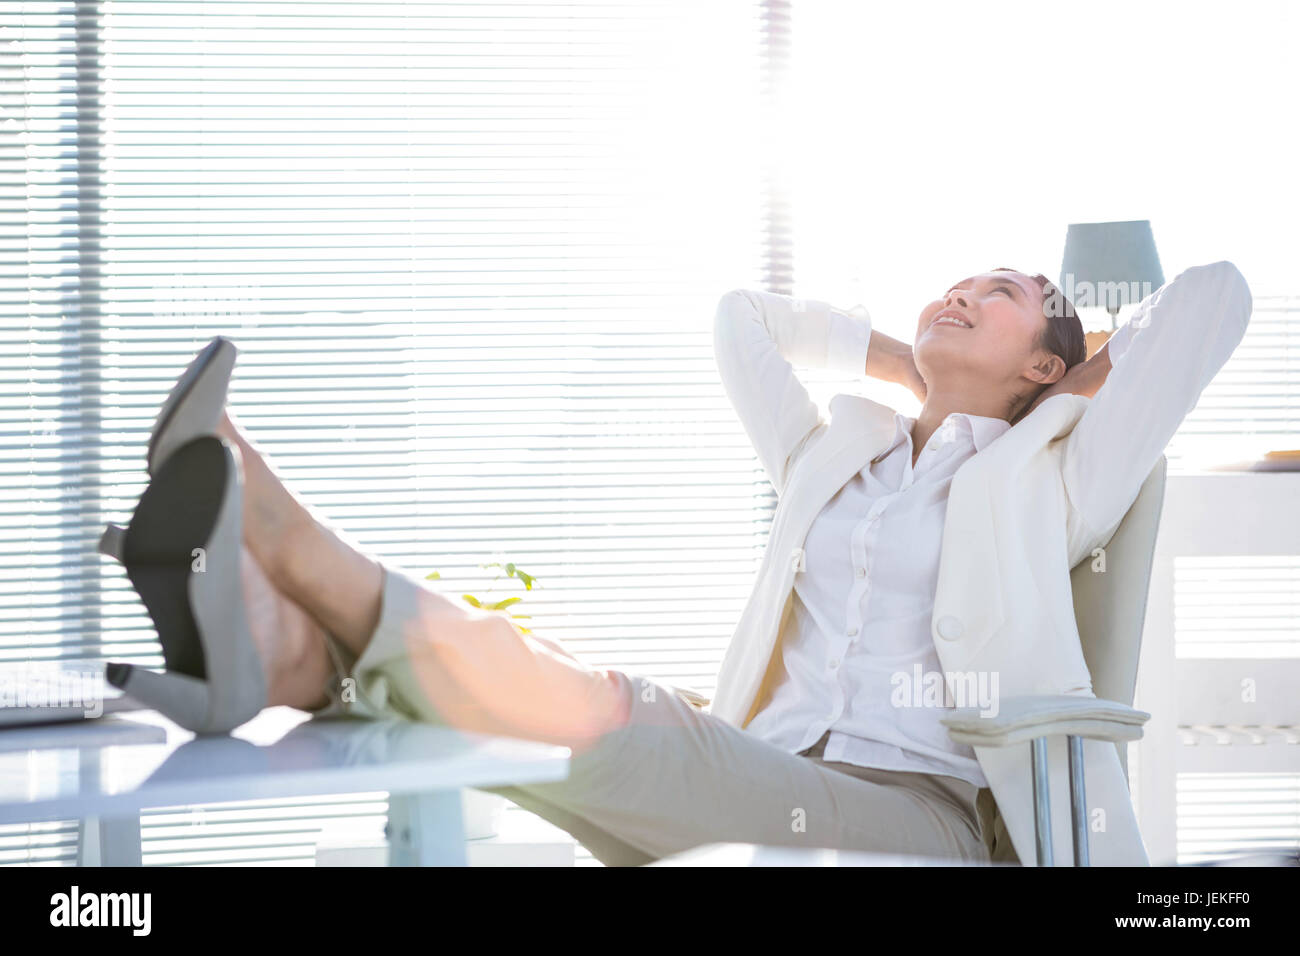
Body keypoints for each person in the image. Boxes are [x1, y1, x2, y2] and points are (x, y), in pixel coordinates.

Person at [103, 260, 1253, 866]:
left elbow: (1213, 299)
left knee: (619, 714)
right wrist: (909, 360)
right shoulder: (834, 450)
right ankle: (296, 659)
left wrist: (1068, 384)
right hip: (766, 766)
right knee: (492, 726)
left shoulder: (1045, 477)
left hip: (919, 816)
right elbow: (739, 320)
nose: (961, 289)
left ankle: (292, 547)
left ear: (1048, 367)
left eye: (999, 291)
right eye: (954, 278)